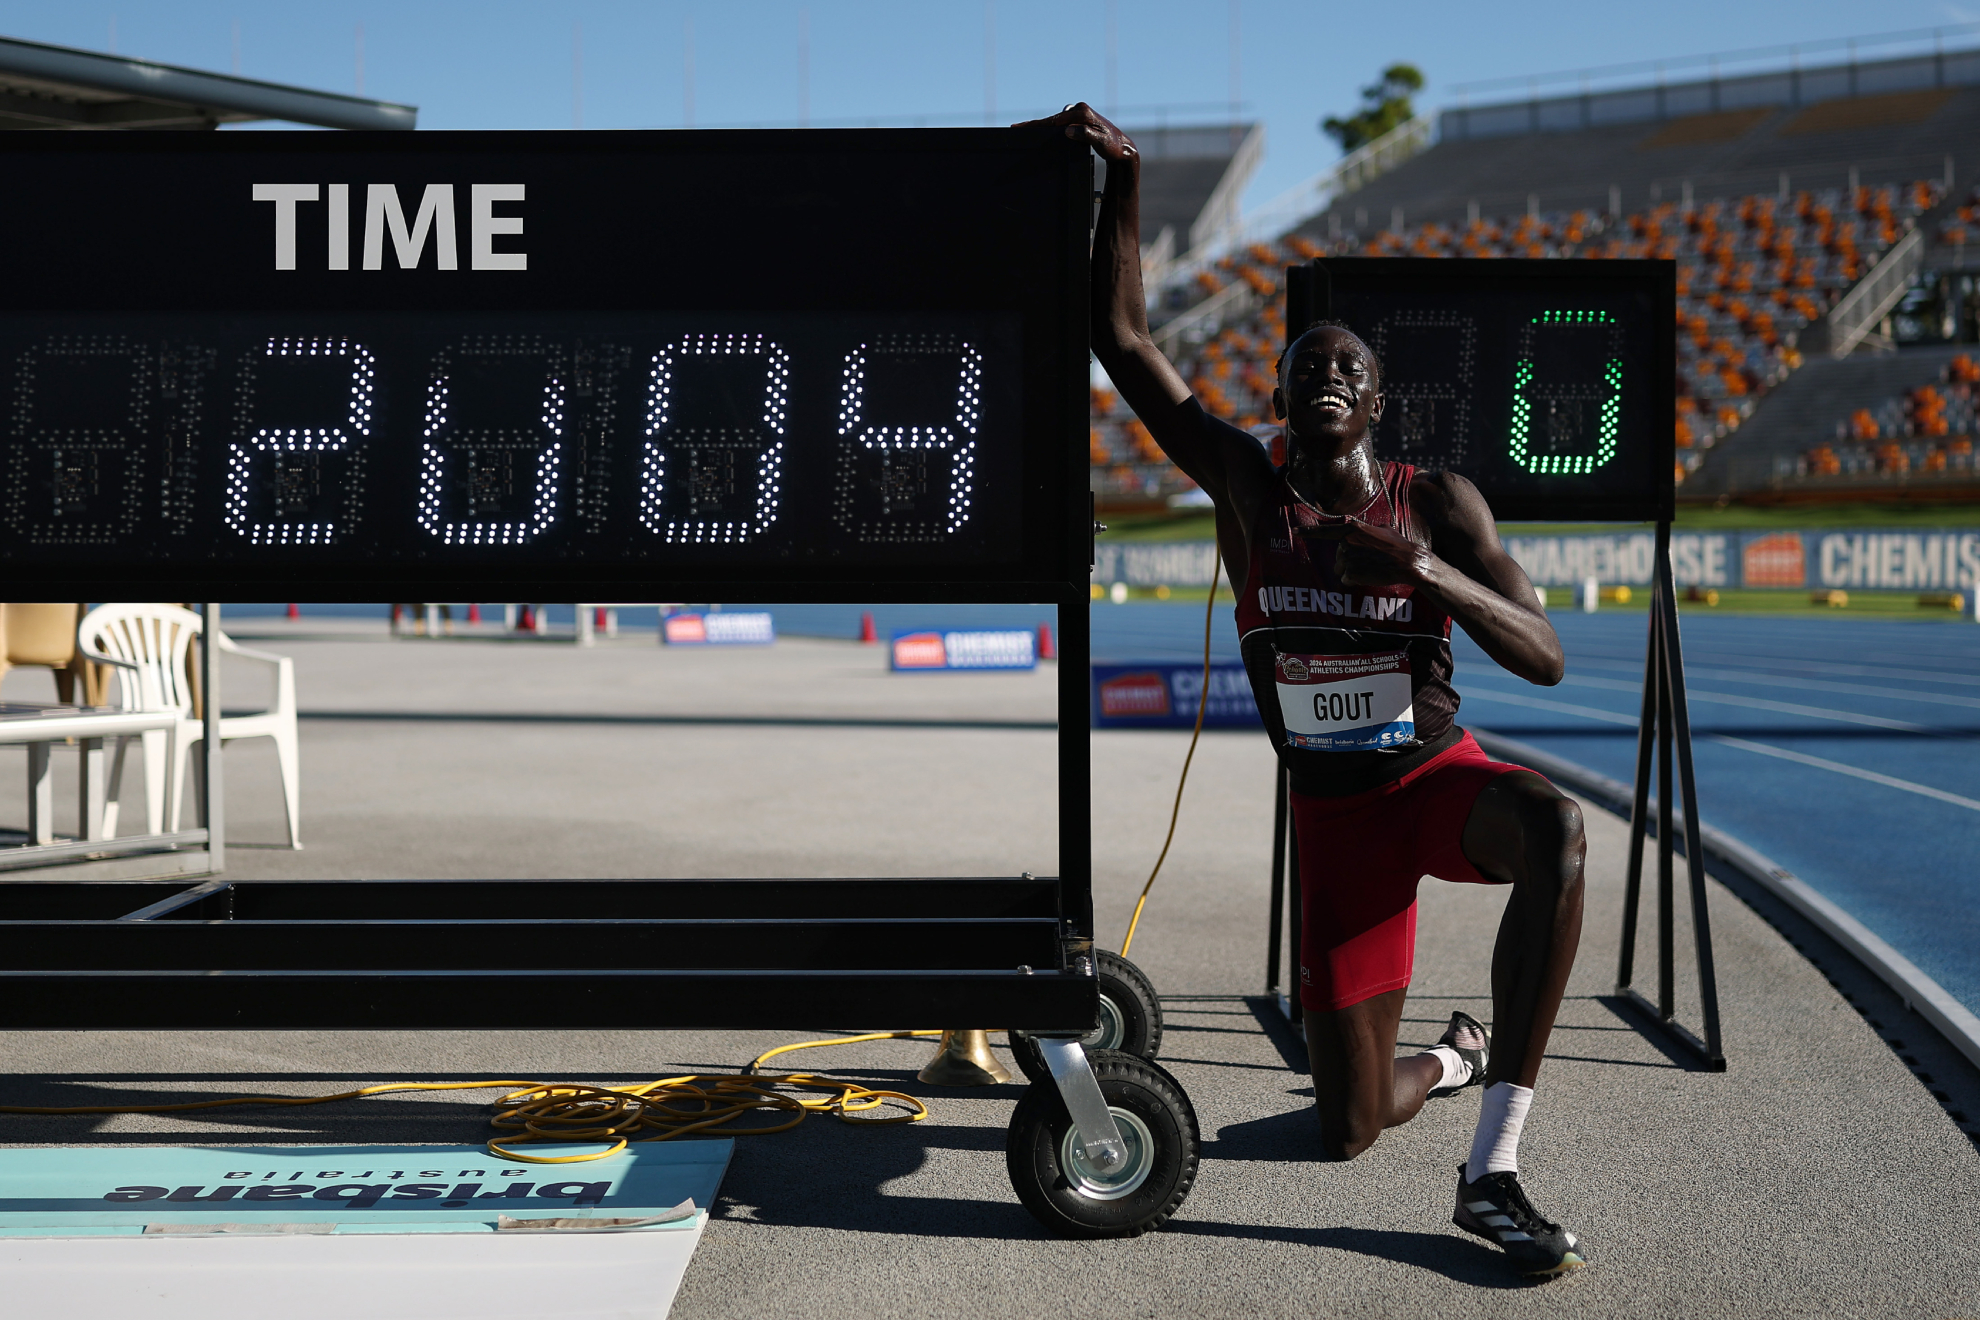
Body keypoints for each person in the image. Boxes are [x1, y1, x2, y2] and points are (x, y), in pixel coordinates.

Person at [1042, 102, 1588, 1276]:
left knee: (1557, 830)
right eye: (1306, 368)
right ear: (1282, 400)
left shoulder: (1436, 503)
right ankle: (1453, 1059)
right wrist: (1121, 183)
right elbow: (1123, 339)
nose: (1327, 375)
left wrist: (1422, 571)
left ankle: (1493, 1170)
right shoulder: (1248, 486)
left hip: (1435, 781)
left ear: (1376, 402)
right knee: (1347, 1128)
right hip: (1335, 823)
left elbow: (1545, 655)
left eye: (1350, 368)